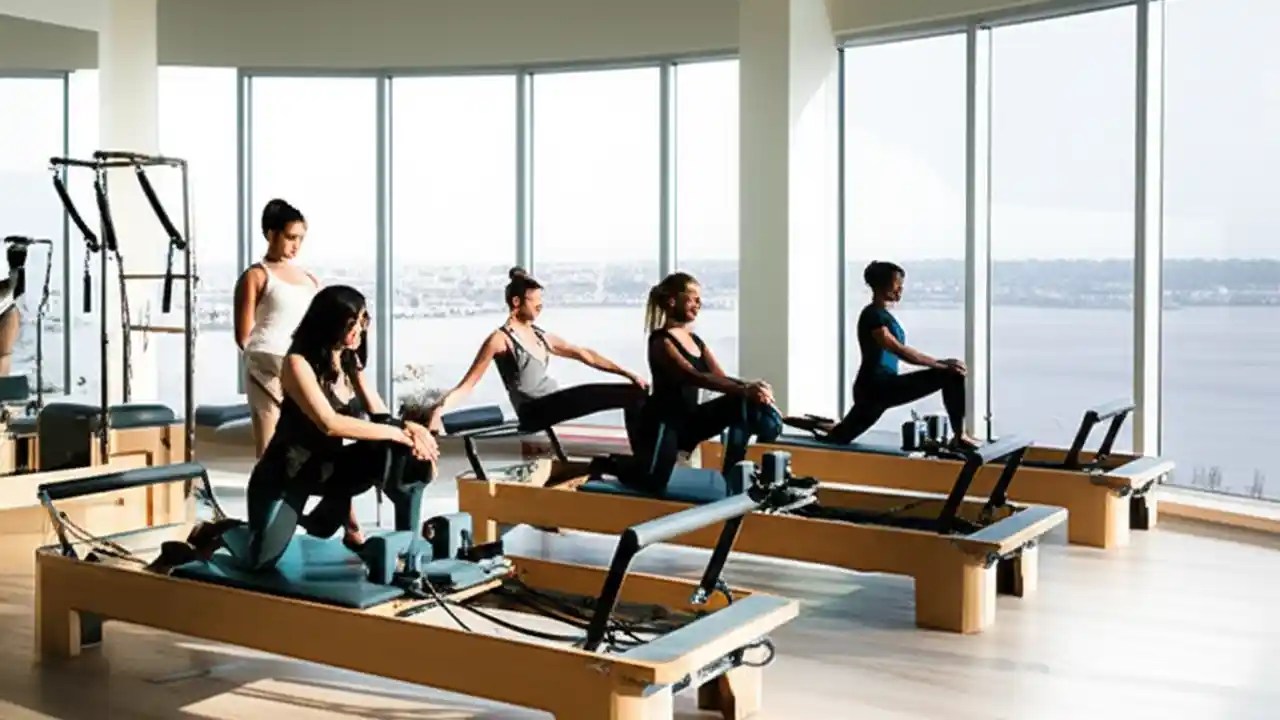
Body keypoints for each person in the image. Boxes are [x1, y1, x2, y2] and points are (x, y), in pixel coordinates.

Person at [236, 285, 438, 570]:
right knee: (260, 562)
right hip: (287, 474)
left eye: (363, 320)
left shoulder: (347, 359)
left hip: (327, 470)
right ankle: (217, 533)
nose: (360, 329)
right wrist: (399, 433)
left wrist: (412, 432)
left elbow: (379, 413)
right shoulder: (297, 363)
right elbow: (329, 423)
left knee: (398, 453)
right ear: (329, 323)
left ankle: (408, 552)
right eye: (352, 323)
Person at [427, 267, 649, 437]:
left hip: (553, 404)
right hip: (535, 412)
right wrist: (438, 410)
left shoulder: (541, 336)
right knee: (615, 394)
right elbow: (467, 385)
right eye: (536, 303)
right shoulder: (500, 340)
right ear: (516, 302)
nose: (540, 308)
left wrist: (628, 374)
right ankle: (643, 462)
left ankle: (642, 454)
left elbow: (585, 354)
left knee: (634, 393)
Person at [621, 271, 782, 494]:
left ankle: (733, 475)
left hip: (689, 422)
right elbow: (692, 376)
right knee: (653, 484)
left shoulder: (696, 341)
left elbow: (721, 378)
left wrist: (755, 388)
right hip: (664, 425)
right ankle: (606, 464)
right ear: (672, 301)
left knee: (741, 403)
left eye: (700, 299)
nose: (699, 304)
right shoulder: (660, 340)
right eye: (693, 298)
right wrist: (745, 389)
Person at [811, 261, 977, 448]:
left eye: (901, 285)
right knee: (951, 375)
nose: (900, 289)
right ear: (882, 285)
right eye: (896, 284)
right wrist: (940, 364)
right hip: (874, 388)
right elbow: (898, 350)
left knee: (840, 435)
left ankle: (816, 424)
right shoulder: (872, 315)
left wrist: (942, 364)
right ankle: (959, 436)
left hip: (884, 386)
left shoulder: (883, 315)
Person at [234, 198, 321, 458]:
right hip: (266, 366)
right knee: (270, 447)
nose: (296, 245)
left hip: (302, 367)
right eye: (291, 237)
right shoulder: (256, 276)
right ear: (272, 234)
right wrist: (261, 365)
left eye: (301, 239)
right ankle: (266, 497)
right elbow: (243, 335)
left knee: (307, 446)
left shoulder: (309, 279)